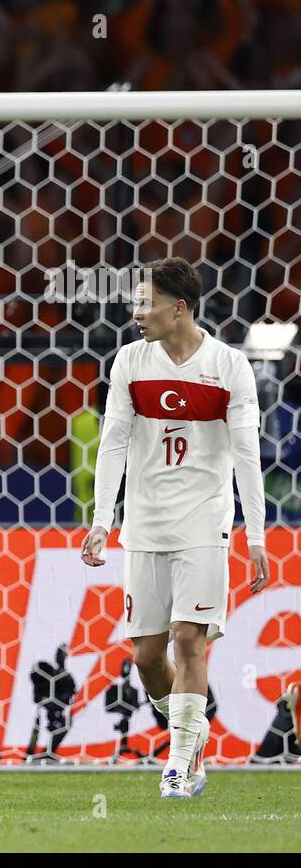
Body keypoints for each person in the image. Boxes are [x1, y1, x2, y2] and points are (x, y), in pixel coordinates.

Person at [82, 257, 269, 798]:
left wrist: (254, 536)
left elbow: (247, 455)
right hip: (144, 525)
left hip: (204, 523)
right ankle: (191, 734)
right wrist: (102, 521)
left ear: (179, 308)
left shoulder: (229, 365)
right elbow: (113, 442)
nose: (138, 313)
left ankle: (180, 764)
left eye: (147, 304)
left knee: (190, 641)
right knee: (146, 656)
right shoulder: (129, 363)